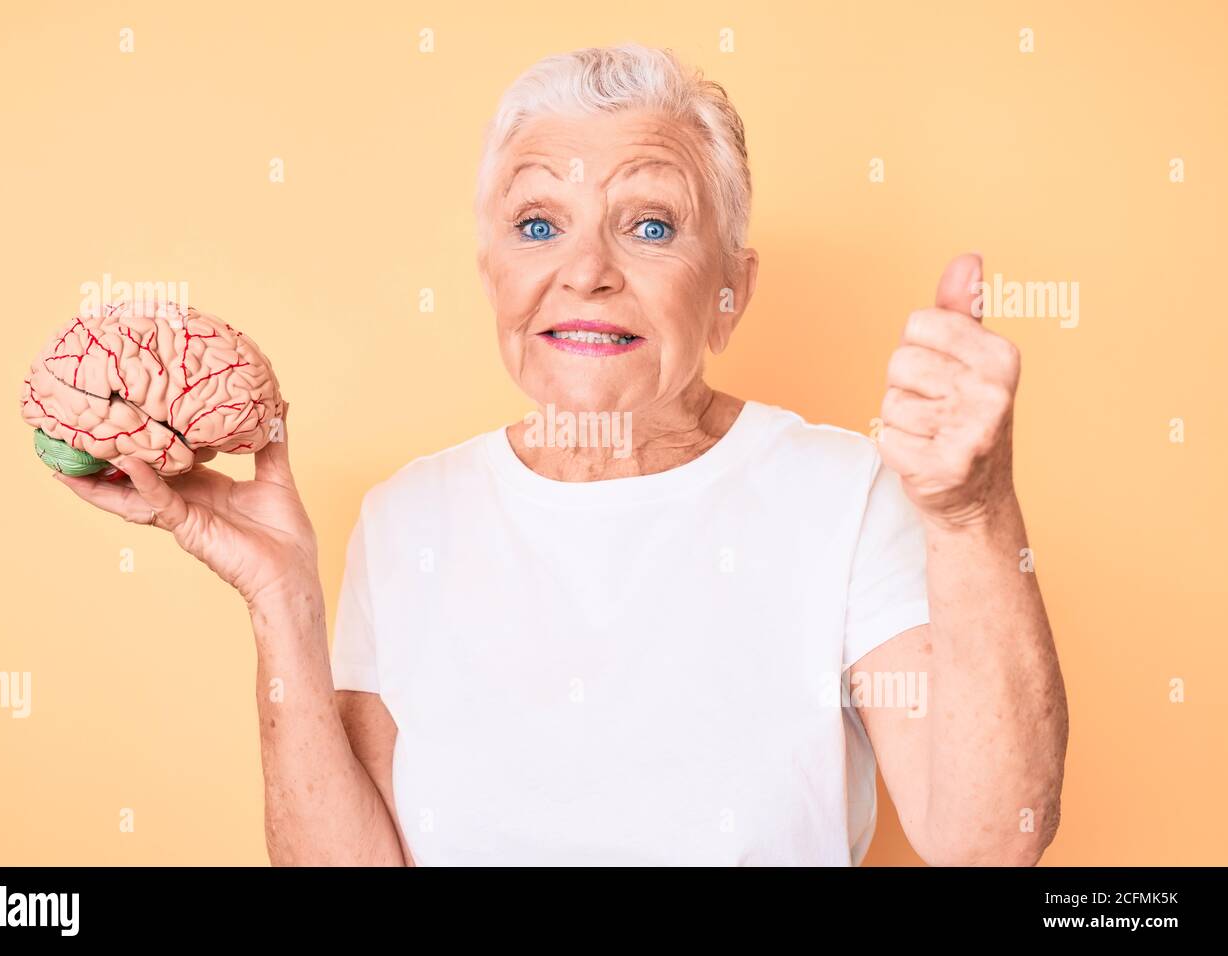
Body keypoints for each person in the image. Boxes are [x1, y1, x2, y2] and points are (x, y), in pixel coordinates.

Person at [55, 44, 1067, 866]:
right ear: (492, 272)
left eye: (650, 224)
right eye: (538, 223)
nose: (585, 271)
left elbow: (985, 841)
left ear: (730, 289)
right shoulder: (409, 516)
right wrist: (279, 597)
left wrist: (973, 512)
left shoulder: (842, 493)